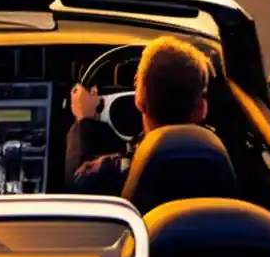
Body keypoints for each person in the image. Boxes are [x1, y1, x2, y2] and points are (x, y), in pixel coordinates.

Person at [64, 36, 214, 194]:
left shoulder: (123, 174)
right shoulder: (222, 164)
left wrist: (84, 119)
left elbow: (78, 184)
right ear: (202, 108)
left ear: (139, 99)